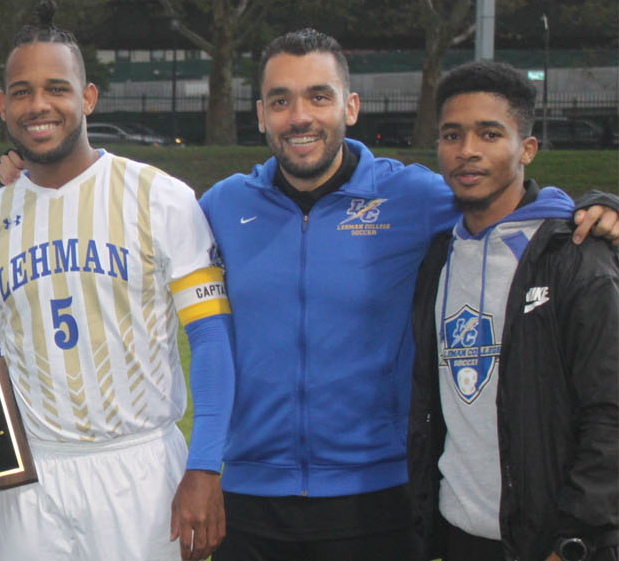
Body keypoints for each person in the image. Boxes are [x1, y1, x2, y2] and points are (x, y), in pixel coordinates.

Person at [195, 29, 618, 561]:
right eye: (281, 101)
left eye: (318, 97)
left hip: (379, 498)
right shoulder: (222, 206)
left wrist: (593, 206)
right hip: (250, 499)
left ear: (350, 107)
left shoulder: (411, 196)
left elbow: (505, 199)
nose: (299, 116)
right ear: (261, 114)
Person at [0, 2, 235, 561]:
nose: (40, 105)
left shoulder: (160, 196)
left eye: (57, 87)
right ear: (3, 106)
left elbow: (212, 341)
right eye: (22, 92)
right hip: (34, 477)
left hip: (140, 467)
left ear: (88, 97)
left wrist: (204, 467)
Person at [406, 62, 617, 561]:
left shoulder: (576, 257)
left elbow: (608, 412)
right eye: (452, 135)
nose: (467, 150)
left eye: (489, 133)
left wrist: (576, 538)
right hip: (460, 532)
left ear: (527, 148)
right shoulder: (438, 257)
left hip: (554, 540)